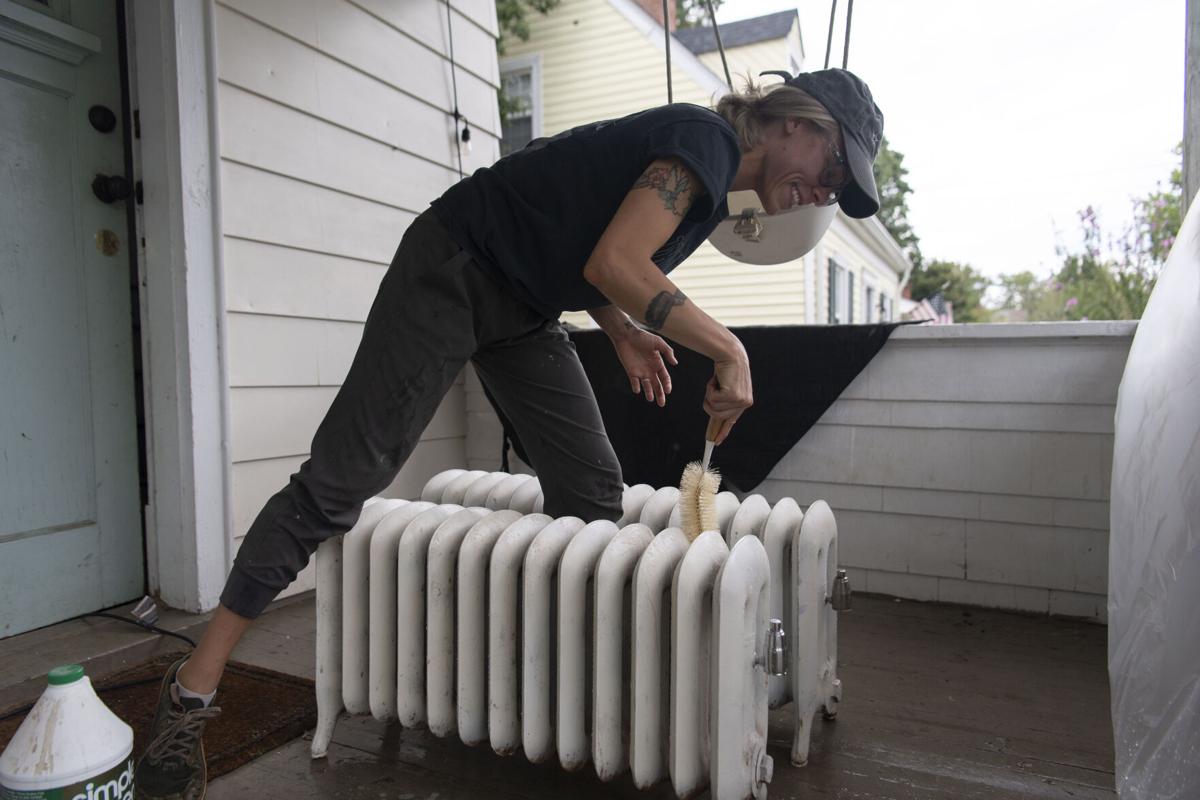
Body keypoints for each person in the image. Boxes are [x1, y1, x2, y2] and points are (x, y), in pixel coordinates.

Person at [133, 67, 883, 799]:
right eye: (833, 166)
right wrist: (730, 347)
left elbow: (584, 234)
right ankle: (190, 696)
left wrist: (619, 327)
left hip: (522, 306)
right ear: (796, 121)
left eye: (840, 191)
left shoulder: (710, 185)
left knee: (593, 492)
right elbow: (616, 258)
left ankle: (549, 689)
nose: (826, 192)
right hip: (457, 267)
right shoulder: (705, 142)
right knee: (336, 488)